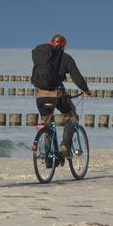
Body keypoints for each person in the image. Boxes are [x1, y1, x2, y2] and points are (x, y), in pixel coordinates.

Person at [31, 34, 91, 162]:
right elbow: (77, 77)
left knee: (47, 123)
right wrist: (85, 90)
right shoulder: (66, 58)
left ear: (51, 43)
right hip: (56, 94)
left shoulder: (43, 57)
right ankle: (64, 146)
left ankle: (47, 157)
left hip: (40, 94)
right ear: (64, 45)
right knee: (71, 115)